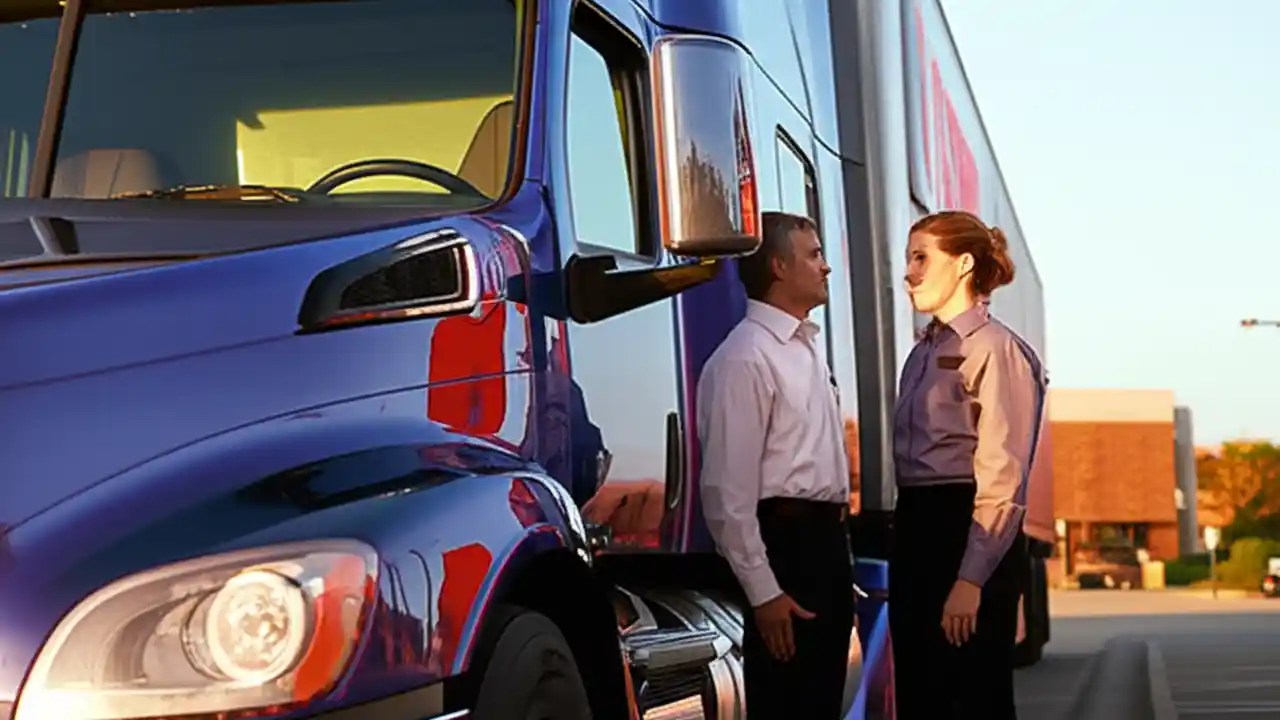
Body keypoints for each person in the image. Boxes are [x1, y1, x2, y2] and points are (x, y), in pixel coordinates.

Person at [890, 209, 1048, 719]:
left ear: (961, 264)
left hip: (967, 530)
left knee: (974, 700)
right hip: (917, 528)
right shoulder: (923, 351)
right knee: (922, 697)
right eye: (908, 258)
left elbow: (1003, 477)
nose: (909, 272)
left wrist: (971, 579)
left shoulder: (996, 349)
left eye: (921, 258)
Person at [697, 211, 854, 719]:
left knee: (820, 703)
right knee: (788, 705)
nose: (825, 268)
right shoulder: (745, 358)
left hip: (825, 550)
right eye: (814, 255)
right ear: (780, 266)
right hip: (786, 552)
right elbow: (727, 494)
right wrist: (765, 594)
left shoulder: (805, 349)